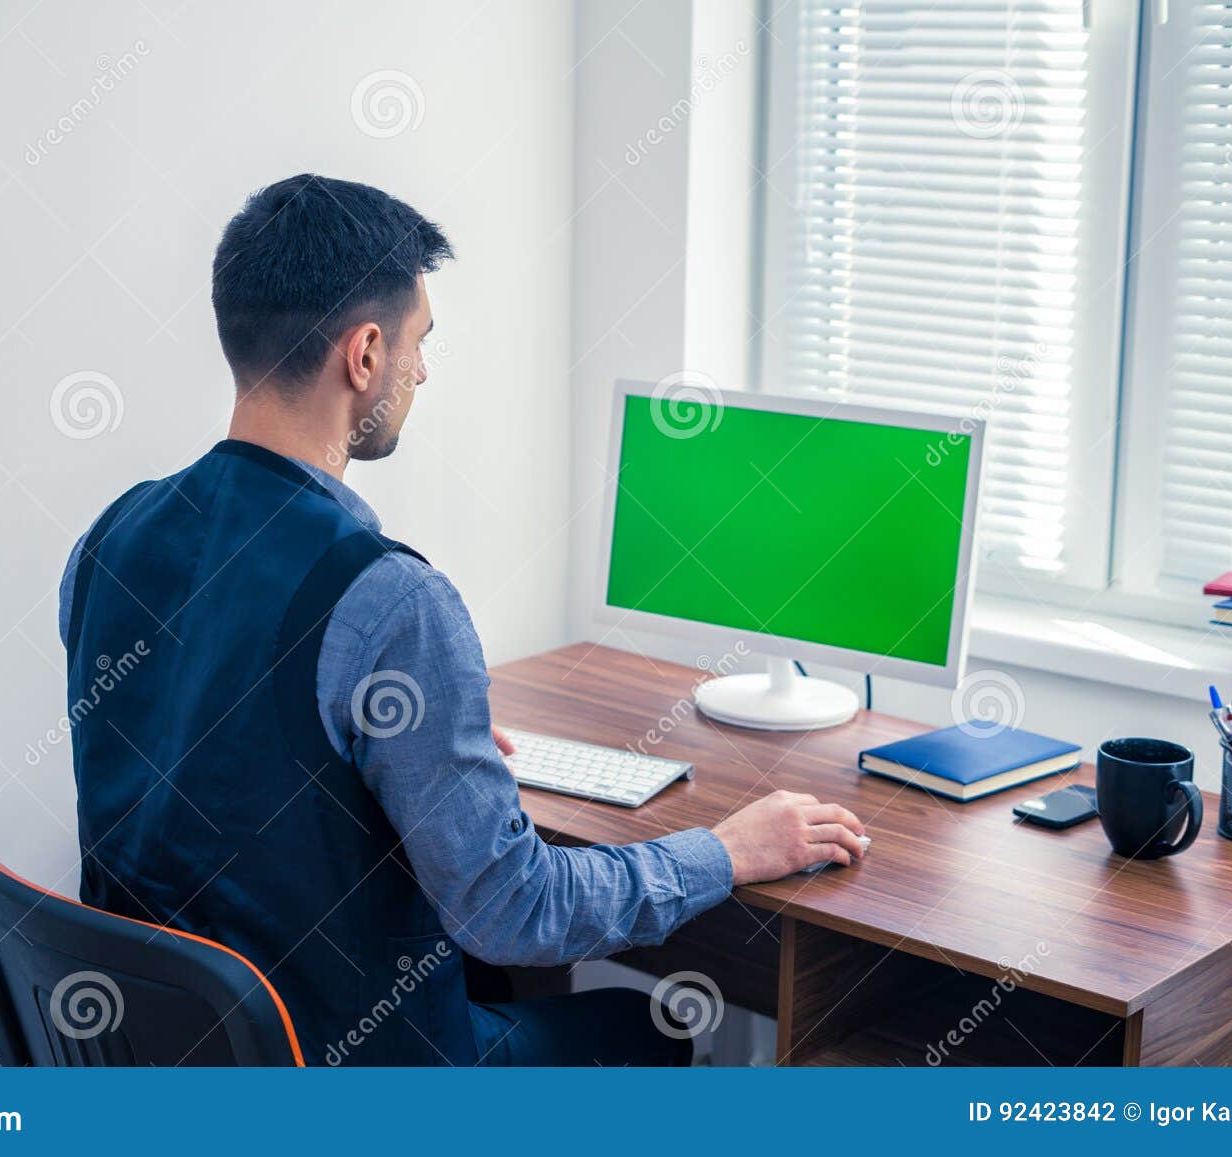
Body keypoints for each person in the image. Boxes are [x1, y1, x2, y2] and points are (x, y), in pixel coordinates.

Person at [58, 174, 867, 1066]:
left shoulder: (113, 537)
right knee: (649, 1023)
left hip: (172, 1057)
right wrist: (725, 849)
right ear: (364, 354)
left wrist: (409, 758)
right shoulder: (390, 598)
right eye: (417, 345)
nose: (422, 371)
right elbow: (512, 909)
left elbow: (207, 758)